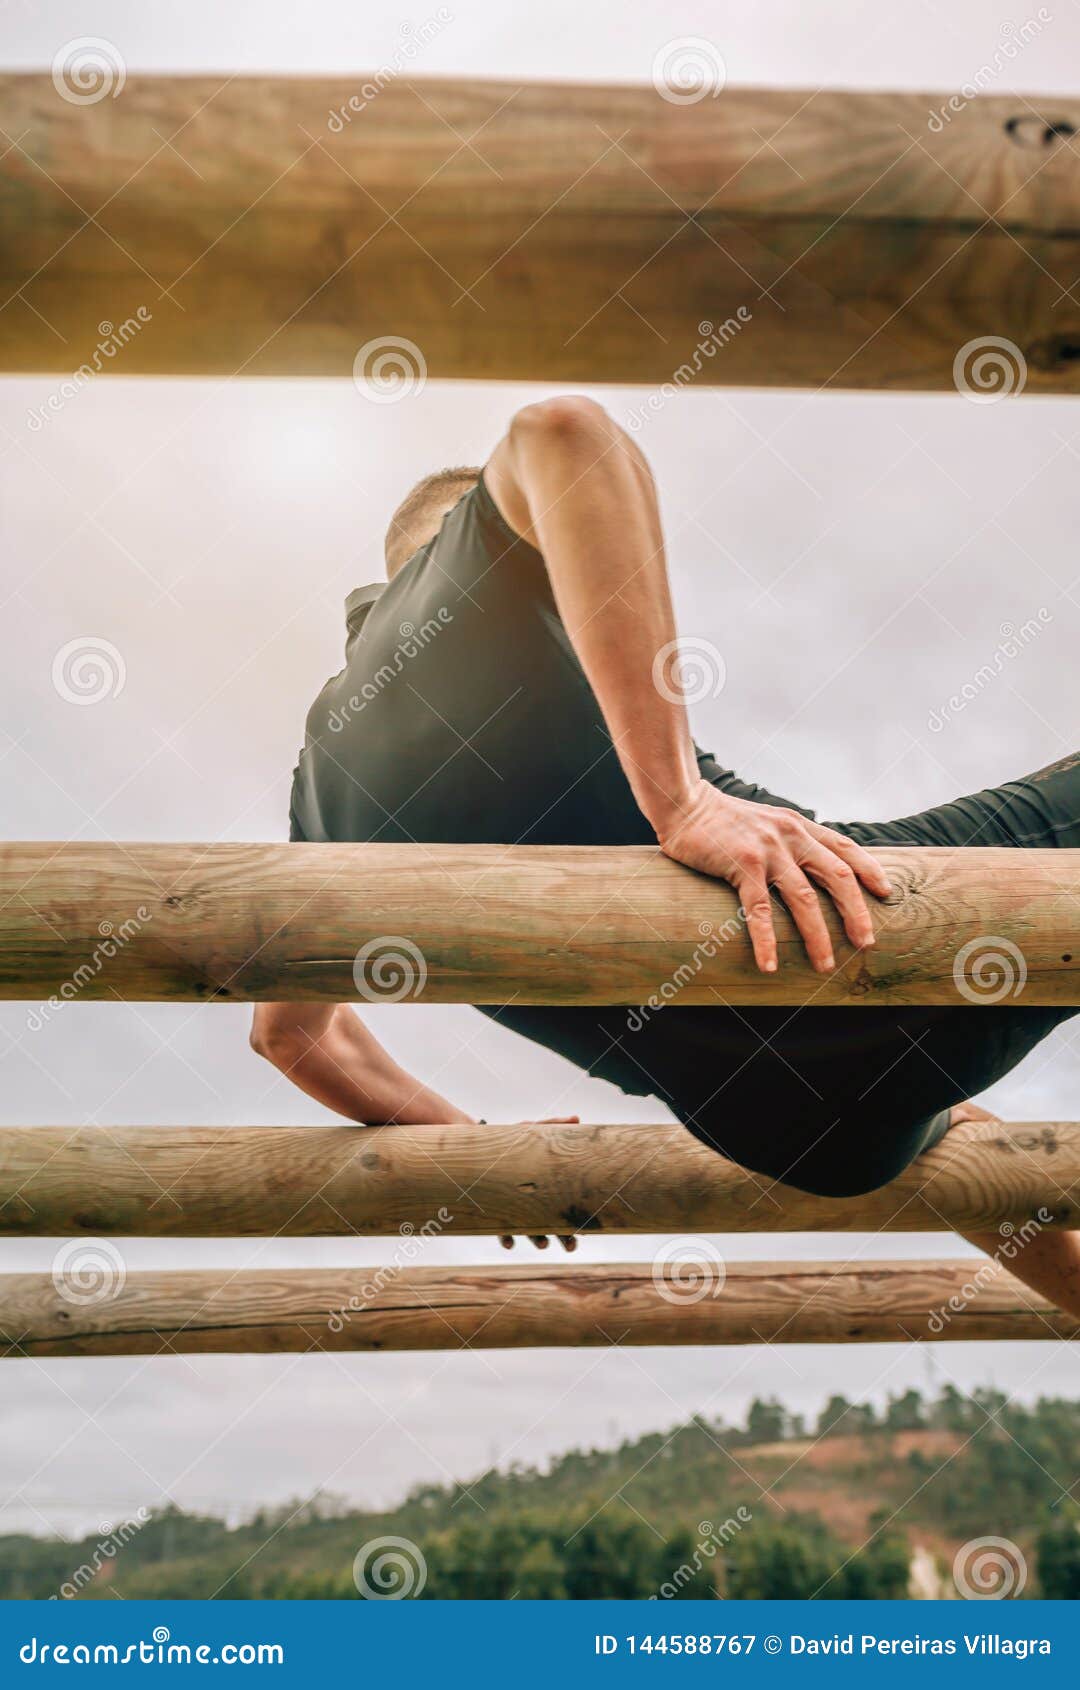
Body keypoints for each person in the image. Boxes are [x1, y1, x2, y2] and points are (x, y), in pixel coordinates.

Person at [252, 397, 1080, 1317]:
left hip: (789, 1133)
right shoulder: (459, 587)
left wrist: (468, 1141)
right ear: (453, 544)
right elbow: (564, 434)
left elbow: (290, 1035)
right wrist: (680, 800)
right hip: (867, 956)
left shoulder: (316, 792)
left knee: (957, 1132)